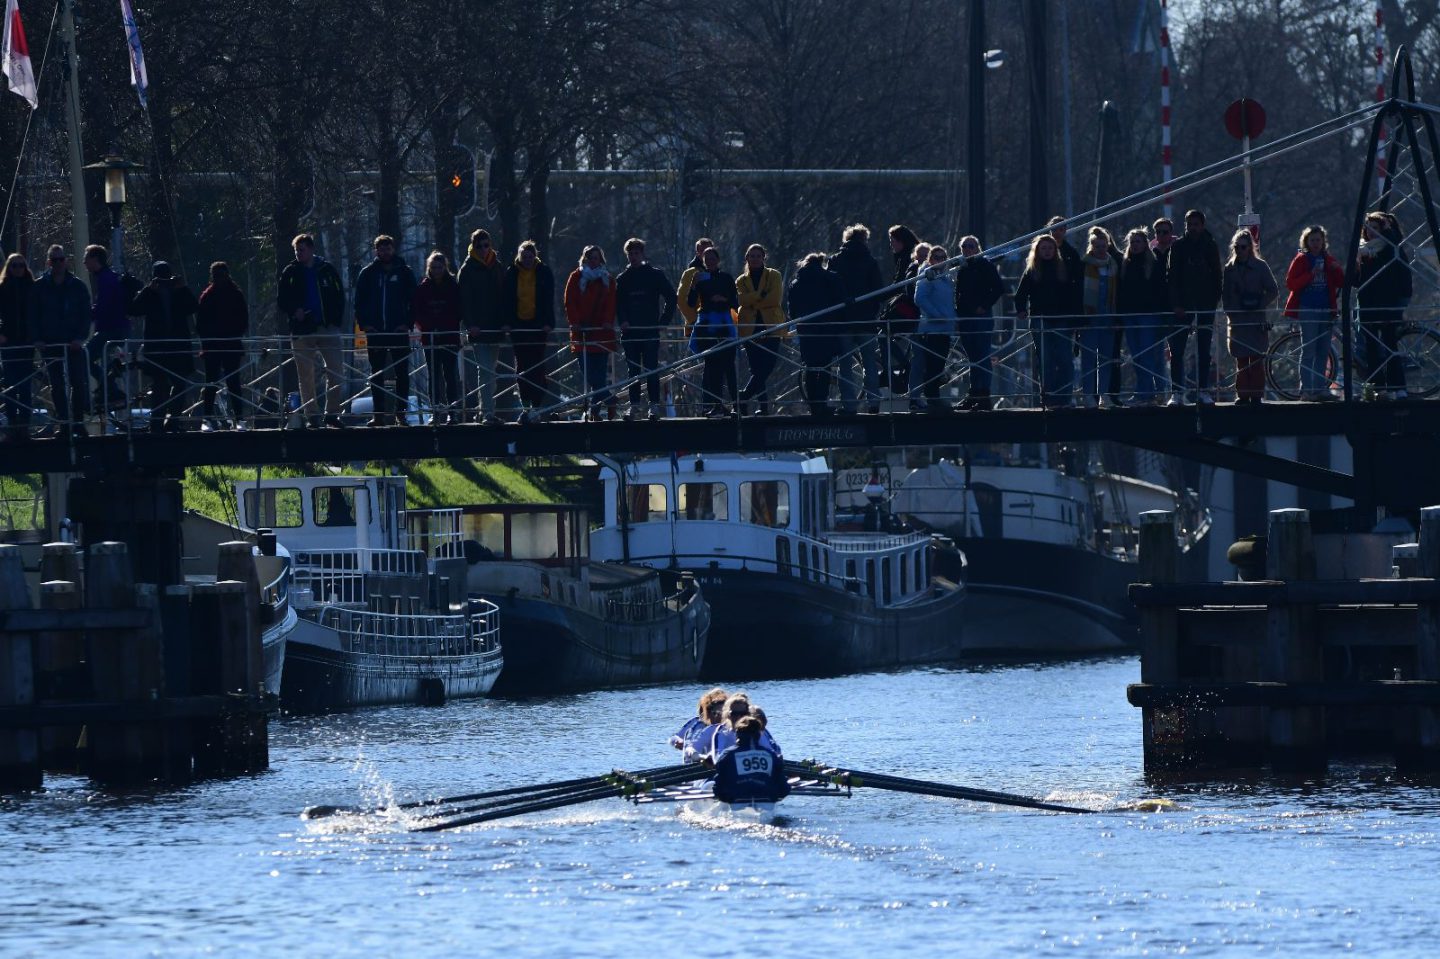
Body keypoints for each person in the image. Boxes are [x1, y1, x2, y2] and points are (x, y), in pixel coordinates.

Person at [276, 233, 347, 428]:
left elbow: (340, 294)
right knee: (305, 374)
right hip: (301, 330)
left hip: (328, 328)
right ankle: (312, 415)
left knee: (336, 371)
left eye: (302, 250)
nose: (299, 254)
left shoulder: (327, 270)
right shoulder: (290, 271)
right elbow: (281, 298)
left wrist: (336, 320)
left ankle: (332, 414)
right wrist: (294, 311)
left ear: (312, 249)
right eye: (296, 250)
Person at [353, 234, 418, 427]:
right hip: (376, 333)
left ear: (393, 249)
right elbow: (359, 302)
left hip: (398, 331)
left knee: (402, 373)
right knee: (376, 373)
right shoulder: (367, 273)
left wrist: (407, 323)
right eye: (381, 249)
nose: (385, 252)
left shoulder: (405, 272)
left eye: (388, 248)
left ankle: (402, 413)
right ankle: (378, 414)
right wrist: (366, 325)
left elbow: (413, 301)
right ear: (376, 251)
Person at [130, 261, 200, 433]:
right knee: (159, 386)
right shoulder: (150, 294)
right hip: (158, 349)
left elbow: (193, 306)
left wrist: (182, 288)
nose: (164, 283)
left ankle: (173, 420)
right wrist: (148, 290)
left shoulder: (178, 292)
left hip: (177, 347)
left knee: (180, 384)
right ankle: (157, 423)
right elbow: (134, 309)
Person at [30, 245, 92, 437]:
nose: (58, 263)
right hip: (50, 343)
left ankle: (78, 422)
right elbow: (33, 316)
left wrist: (80, 337)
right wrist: (37, 339)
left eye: (61, 259)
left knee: (78, 382)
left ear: (66, 261)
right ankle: (64, 424)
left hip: (73, 342)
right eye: (54, 260)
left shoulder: (78, 285)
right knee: (56, 385)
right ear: (49, 262)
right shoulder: (39, 286)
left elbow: (85, 314)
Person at [1165, 209, 1223, 405]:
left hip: (1206, 304)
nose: (1192, 228)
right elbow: (1172, 277)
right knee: (1177, 350)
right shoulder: (1179, 246)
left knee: (1204, 349)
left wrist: (1214, 301)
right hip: (1183, 304)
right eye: (1189, 224)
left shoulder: (1210, 245)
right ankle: (1177, 392)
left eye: (1196, 224)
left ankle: (1203, 390)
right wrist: (1176, 304)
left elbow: (1217, 274)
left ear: (1202, 225)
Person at [614, 237, 676, 420]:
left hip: (650, 330)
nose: (633, 256)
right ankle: (634, 407)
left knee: (651, 369)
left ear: (642, 254)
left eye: (636, 253)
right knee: (632, 370)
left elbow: (671, 297)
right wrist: (622, 320)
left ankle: (654, 406)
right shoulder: (622, 279)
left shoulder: (655, 274)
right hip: (630, 332)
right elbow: (618, 304)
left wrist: (663, 322)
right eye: (630, 253)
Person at [1283, 225, 1345, 402]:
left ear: (1323, 241)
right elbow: (1291, 283)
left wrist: (1335, 269)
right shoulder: (1301, 259)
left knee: (1323, 350)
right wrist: (1310, 275)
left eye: (1319, 240)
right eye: (1313, 240)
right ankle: (1307, 390)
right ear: (1306, 242)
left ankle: (1320, 389)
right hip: (1308, 309)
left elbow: (1341, 281)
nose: (1316, 244)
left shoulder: (1328, 259)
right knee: (1308, 350)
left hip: (1326, 309)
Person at [1354, 211, 1413, 399]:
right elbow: (1358, 279)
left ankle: (1398, 387)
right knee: (1371, 349)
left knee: (1389, 345)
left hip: (1386, 303)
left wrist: (1387, 230)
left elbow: (1393, 245)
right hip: (1368, 303)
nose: (1371, 232)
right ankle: (1377, 389)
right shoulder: (1363, 250)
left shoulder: (1389, 248)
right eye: (1368, 227)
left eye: (1375, 228)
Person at [829, 223, 886, 414]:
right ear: (864, 239)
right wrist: (872, 310)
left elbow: (830, 289)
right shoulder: (870, 261)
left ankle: (849, 404)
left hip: (843, 320)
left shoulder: (835, 260)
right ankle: (874, 402)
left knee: (844, 365)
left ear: (846, 239)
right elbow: (878, 290)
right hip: (866, 321)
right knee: (869, 362)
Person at [1013, 234, 1074, 407]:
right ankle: (1049, 397)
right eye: (1043, 248)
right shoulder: (1032, 270)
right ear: (1037, 251)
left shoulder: (1063, 268)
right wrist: (1021, 310)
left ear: (1055, 250)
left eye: (1050, 248)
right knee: (1046, 360)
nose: (1047, 251)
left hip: (1061, 318)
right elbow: (1020, 294)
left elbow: (1071, 294)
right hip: (1040, 319)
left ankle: (1065, 397)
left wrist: (1073, 316)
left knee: (1065, 360)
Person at [500, 240, 556, 423]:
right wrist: (507, 322)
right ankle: (525, 406)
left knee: (537, 365)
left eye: (530, 257)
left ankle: (537, 407)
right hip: (518, 326)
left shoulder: (544, 272)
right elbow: (507, 299)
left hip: (538, 325)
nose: (527, 260)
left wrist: (549, 322)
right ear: (519, 256)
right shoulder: (512, 273)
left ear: (535, 256)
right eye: (524, 256)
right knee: (522, 367)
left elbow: (549, 298)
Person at [1221, 230, 1279, 405]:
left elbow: (1273, 290)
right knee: (1240, 360)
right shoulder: (1229, 269)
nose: (1240, 250)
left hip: (1256, 320)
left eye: (1243, 247)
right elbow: (1225, 295)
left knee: (1255, 359)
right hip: (1237, 321)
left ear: (1250, 247)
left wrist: (1259, 303)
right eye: (1237, 247)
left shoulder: (1261, 266)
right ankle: (1242, 394)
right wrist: (1230, 311)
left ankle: (1256, 395)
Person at [458, 229, 507, 425]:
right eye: (479, 246)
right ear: (473, 247)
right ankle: (487, 413)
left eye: (486, 245)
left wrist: (504, 322)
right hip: (478, 329)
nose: (483, 249)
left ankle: (483, 410)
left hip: (495, 328)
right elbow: (464, 301)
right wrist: (470, 324)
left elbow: (504, 297)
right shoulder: (467, 269)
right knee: (485, 370)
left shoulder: (498, 266)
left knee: (491, 372)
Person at [788, 252, 847, 416]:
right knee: (826, 366)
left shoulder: (797, 282)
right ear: (821, 263)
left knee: (810, 366)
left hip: (806, 328)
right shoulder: (830, 278)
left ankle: (812, 404)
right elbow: (840, 300)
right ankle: (822, 401)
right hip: (827, 327)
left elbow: (792, 309)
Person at [1116, 228, 1170, 405]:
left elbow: (1160, 290)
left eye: (1138, 241)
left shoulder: (1153, 263)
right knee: (1136, 355)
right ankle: (1143, 391)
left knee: (1149, 354)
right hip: (1130, 315)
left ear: (1145, 243)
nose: (1134, 245)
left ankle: (1148, 393)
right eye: (1132, 242)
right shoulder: (1124, 264)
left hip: (1149, 315)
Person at [564, 245, 618, 421]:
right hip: (582, 333)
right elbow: (569, 302)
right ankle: (609, 400)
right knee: (589, 373)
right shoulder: (576, 277)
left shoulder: (608, 279)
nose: (593, 261)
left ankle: (595, 410)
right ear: (585, 259)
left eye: (596, 258)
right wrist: (576, 322)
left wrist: (607, 322)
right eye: (590, 258)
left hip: (601, 333)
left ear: (600, 260)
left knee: (599, 374)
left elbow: (611, 304)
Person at [951, 235, 1005, 410]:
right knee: (973, 358)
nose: (967, 249)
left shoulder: (985, 264)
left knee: (982, 356)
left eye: (971, 246)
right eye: (965, 246)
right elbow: (959, 294)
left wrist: (984, 305)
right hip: (965, 317)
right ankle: (973, 393)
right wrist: (958, 316)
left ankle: (984, 395)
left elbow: (998, 288)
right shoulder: (963, 268)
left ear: (978, 248)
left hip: (981, 317)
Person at [685, 246, 739, 417]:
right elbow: (690, 302)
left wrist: (724, 299)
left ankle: (737, 404)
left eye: (712, 258)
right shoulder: (700, 278)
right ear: (703, 261)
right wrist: (693, 286)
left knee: (729, 366)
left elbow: (736, 301)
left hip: (724, 323)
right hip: (707, 324)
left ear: (718, 259)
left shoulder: (726, 277)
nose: (710, 261)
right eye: (706, 259)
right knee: (711, 366)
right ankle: (717, 405)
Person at [196, 262, 250, 430]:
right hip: (213, 347)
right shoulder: (208, 296)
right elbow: (201, 324)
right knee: (211, 383)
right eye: (217, 275)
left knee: (233, 382)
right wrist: (207, 342)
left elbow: (243, 320)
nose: (220, 278)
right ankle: (207, 419)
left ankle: (240, 419)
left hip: (230, 345)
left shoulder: (235, 294)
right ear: (213, 277)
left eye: (223, 275)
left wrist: (234, 335)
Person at [735, 244, 787, 415]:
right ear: (747, 258)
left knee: (768, 366)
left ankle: (743, 396)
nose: (755, 259)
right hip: (750, 328)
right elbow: (741, 300)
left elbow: (774, 298)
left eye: (758, 255)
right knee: (756, 369)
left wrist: (753, 301)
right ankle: (763, 407)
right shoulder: (741, 280)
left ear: (764, 257)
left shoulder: (774, 275)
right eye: (752, 256)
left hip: (771, 326)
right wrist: (760, 295)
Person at [412, 251, 464, 425]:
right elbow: (417, 312)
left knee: (450, 375)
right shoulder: (423, 288)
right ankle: (435, 410)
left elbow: (458, 311)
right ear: (429, 268)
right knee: (433, 376)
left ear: (445, 267)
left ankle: (453, 411)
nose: (436, 270)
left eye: (439, 267)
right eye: (433, 267)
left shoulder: (453, 286)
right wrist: (428, 326)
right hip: (430, 338)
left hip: (449, 336)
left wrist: (445, 325)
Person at [83, 244, 131, 409]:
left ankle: (111, 391)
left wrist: (84, 316)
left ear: (95, 259)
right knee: (106, 363)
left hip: (111, 330)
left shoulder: (105, 279)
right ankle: (107, 389)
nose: (84, 262)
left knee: (84, 356)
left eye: (86, 258)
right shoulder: (110, 277)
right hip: (119, 328)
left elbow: (103, 306)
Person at [912, 245, 958, 412]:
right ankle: (931, 398)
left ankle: (933, 396)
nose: (940, 261)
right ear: (930, 259)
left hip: (945, 329)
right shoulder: (927, 275)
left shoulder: (945, 277)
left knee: (939, 365)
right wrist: (937, 315)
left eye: (943, 258)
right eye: (937, 258)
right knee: (933, 365)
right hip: (932, 329)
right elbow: (920, 298)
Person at [1078, 227, 1119, 408]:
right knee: (1087, 358)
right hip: (1090, 315)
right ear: (1092, 247)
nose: (1101, 250)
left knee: (1106, 358)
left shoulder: (1114, 265)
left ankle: (1104, 394)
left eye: (1104, 246)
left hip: (1108, 315)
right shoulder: (1085, 265)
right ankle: (1087, 394)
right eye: (1098, 246)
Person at [711, 715, 790, 805]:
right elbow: (784, 788)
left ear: (737, 734)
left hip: (736, 799)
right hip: (766, 798)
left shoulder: (727, 755)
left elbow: (719, 783)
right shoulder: (771, 755)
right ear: (759, 734)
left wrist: (721, 795)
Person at [0, 253, 36, 442]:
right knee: (10, 385)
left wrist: (35, 336)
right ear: (9, 267)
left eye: (21, 266)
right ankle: (12, 424)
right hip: (9, 342)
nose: (18, 269)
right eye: (14, 266)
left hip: (26, 342)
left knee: (25, 385)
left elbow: (38, 313)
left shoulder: (32, 287)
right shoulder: (3, 288)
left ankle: (24, 425)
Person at [884, 225, 922, 396]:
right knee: (886, 331)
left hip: (909, 307)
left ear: (902, 241)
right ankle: (897, 367)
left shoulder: (907, 258)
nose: (891, 245)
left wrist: (879, 295)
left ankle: (900, 367)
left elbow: (900, 284)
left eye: (893, 241)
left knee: (882, 332)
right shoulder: (902, 256)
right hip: (906, 305)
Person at [671, 687, 727, 761]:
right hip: (698, 763)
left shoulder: (732, 728)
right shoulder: (698, 725)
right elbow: (689, 748)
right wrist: (677, 742)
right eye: (716, 713)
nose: (720, 717)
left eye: (723, 713)